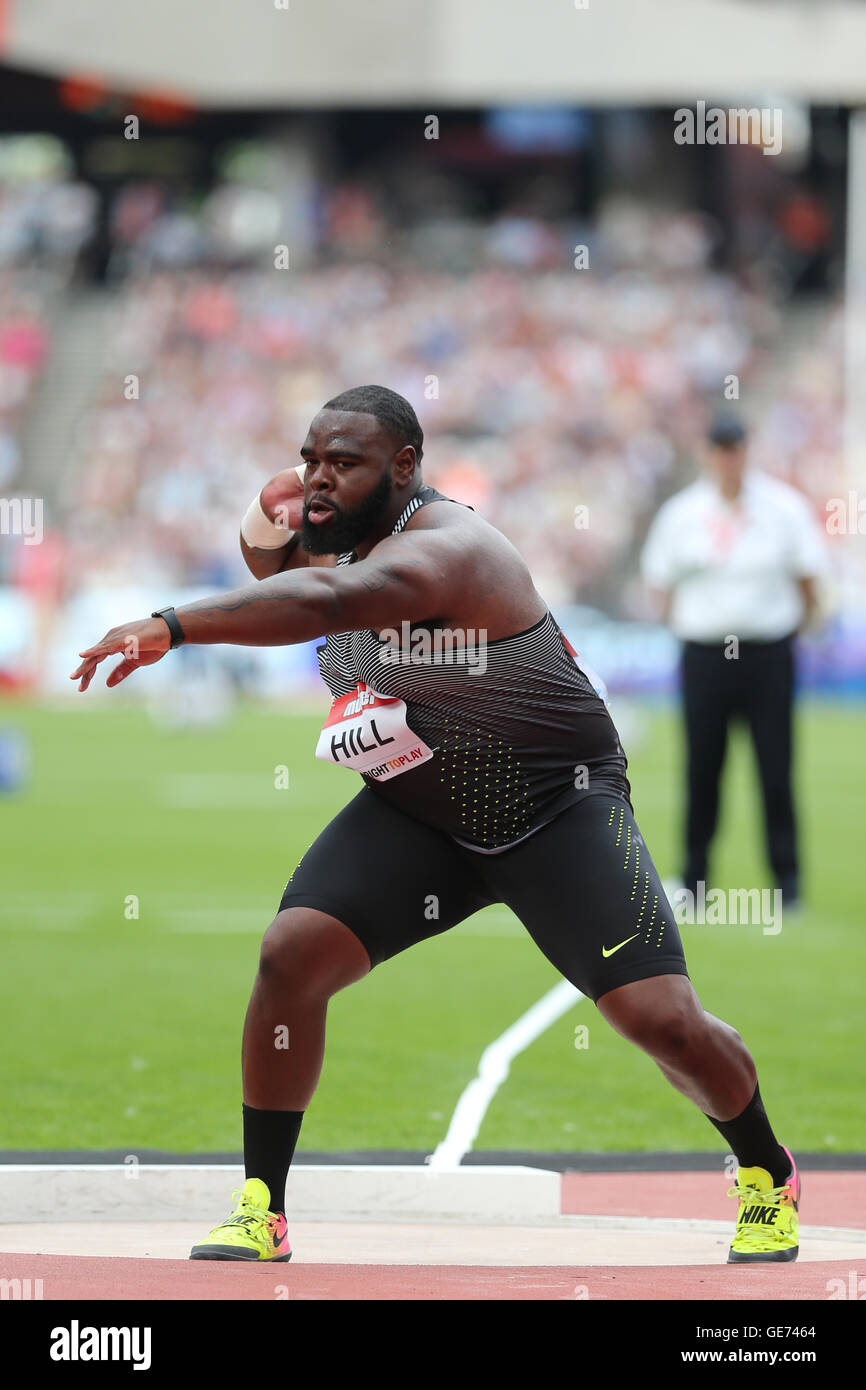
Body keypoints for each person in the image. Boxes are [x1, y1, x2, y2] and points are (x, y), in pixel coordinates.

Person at [72, 385, 801, 1265]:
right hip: (421, 812)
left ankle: (767, 1171)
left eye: (344, 464)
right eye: (310, 460)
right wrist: (266, 521)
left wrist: (171, 625)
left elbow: (321, 605)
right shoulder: (333, 529)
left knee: (664, 1024)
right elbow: (278, 562)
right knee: (289, 955)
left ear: (405, 468)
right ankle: (261, 1207)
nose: (317, 480)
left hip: (553, 810)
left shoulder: (449, 552)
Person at [641, 411, 828, 910]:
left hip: (768, 653)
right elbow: (657, 587)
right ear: (708, 453)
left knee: (775, 767)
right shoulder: (681, 514)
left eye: (736, 447)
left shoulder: (783, 508)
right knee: (702, 769)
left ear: (747, 450)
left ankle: (788, 883)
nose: (729, 458)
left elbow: (809, 579)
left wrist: (795, 630)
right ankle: (696, 879)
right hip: (704, 655)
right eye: (721, 448)